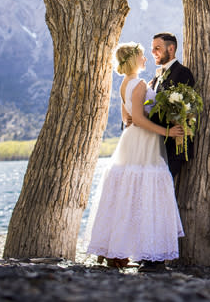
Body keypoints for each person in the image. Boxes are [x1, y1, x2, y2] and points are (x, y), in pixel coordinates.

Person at [85, 42, 184, 272]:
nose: (145, 59)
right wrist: (167, 131)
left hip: (130, 140)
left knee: (128, 193)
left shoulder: (125, 83)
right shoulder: (138, 83)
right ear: (133, 59)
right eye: (142, 55)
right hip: (144, 141)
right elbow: (138, 119)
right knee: (147, 191)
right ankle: (150, 253)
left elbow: (126, 117)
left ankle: (118, 251)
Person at [148, 32, 196, 180]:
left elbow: (182, 109)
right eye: (152, 48)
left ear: (171, 49)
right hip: (158, 144)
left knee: (163, 189)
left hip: (175, 145)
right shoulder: (157, 76)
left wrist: (143, 121)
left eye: (157, 48)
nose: (153, 52)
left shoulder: (182, 73)